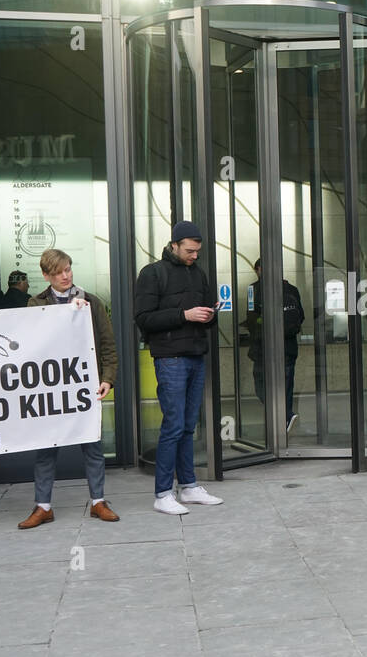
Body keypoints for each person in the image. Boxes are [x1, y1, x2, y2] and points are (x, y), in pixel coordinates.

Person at [18, 249, 119, 528]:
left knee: (93, 446)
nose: (65, 276)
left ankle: (98, 502)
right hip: (51, 387)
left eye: (68, 269)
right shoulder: (34, 304)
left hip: (85, 384)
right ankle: (43, 506)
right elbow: (32, 343)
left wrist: (107, 378)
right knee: (46, 448)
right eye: (58, 272)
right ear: (46, 276)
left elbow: (108, 345)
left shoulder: (91, 302)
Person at [134, 220, 223, 515]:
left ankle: (188, 487)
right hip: (169, 358)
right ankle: (162, 493)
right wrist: (184, 314)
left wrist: (210, 315)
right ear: (174, 245)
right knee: (173, 426)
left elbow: (209, 316)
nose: (194, 255)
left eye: (197, 251)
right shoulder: (152, 273)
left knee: (187, 426)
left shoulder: (199, 274)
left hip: (196, 355)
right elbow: (144, 319)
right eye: (189, 250)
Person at [245, 257, 305, 430]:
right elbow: (301, 316)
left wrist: (260, 322)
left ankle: (284, 417)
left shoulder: (253, 290)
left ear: (258, 270)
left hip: (262, 346)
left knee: (261, 385)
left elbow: (251, 317)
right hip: (288, 346)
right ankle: (285, 417)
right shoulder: (292, 289)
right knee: (285, 386)